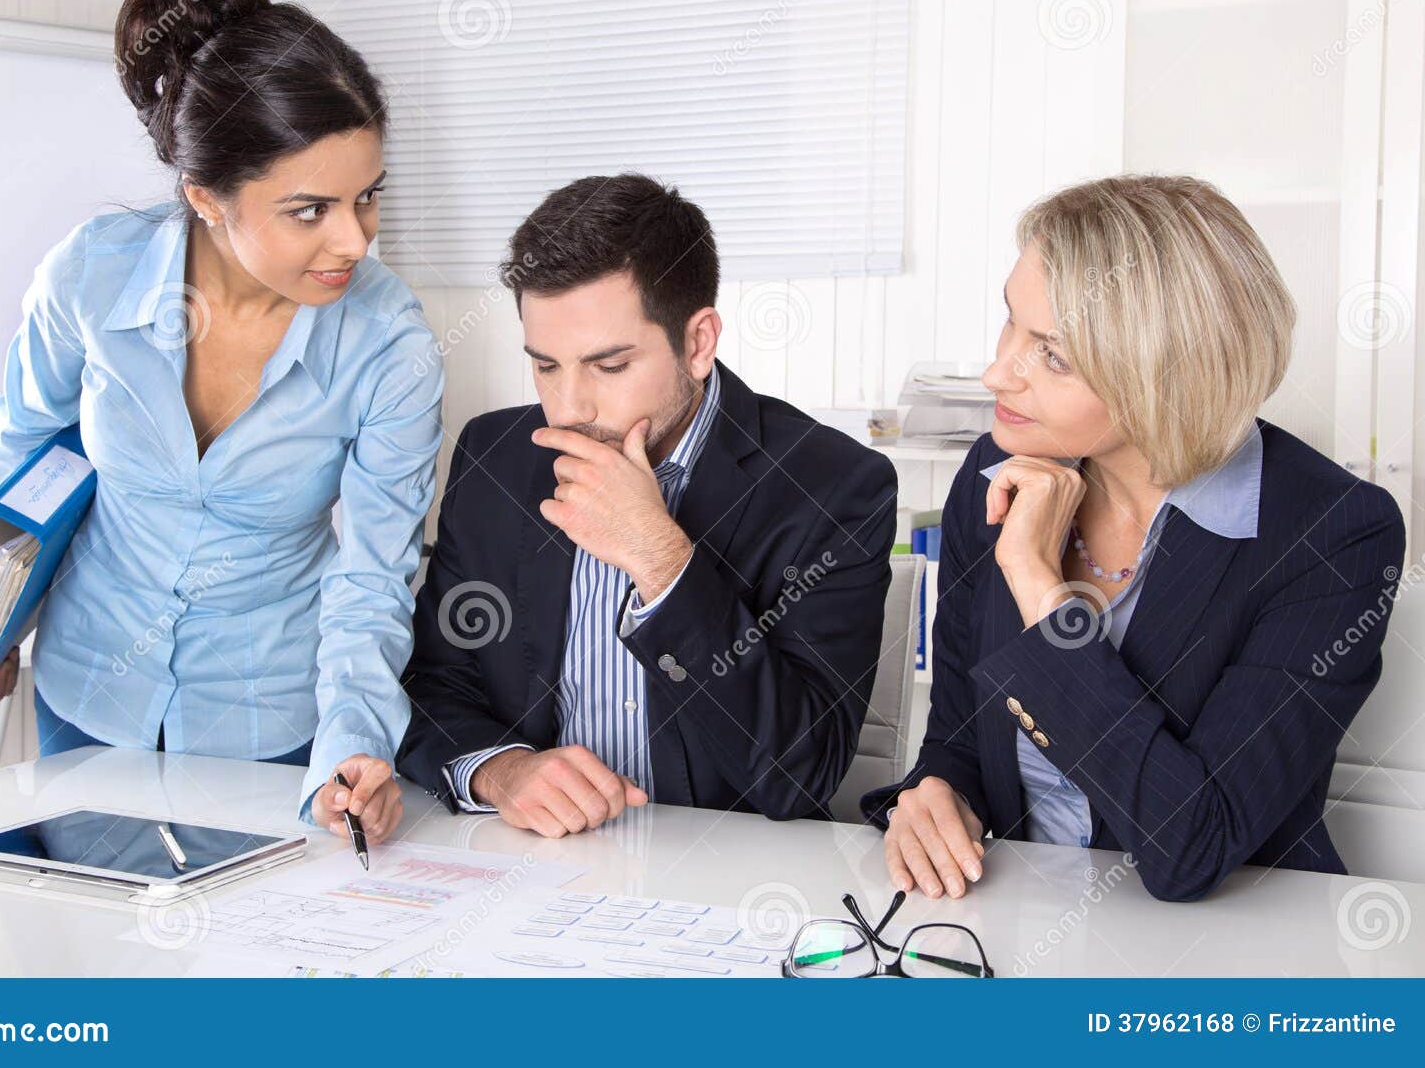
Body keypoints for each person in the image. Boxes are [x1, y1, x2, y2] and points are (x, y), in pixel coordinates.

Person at [0, 0, 443, 842]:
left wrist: (354, 745)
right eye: (310, 210)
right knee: (96, 963)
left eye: (369, 195)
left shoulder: (389, 343)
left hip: (267, 722)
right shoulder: (91, 273)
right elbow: (25, 446)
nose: (355, 239)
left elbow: (373, 574)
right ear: (206, 197)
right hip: (89, 691)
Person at [863, 174, 1406, 902]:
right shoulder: (994, 472)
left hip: (1234, 958)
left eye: (1051, 354)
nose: (997, 371)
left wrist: (1036, 583)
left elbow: (1191, 844)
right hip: (1016, 925)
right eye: (1010, 323)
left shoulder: (1334, 534)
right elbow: (962, 736)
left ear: (1166, 378)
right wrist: (934, 796)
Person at [395, 173, 899, 836]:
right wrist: (502, 770)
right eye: (546, 365)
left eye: (608, 367)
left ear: (697, 342)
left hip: (728, 887)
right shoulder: (497, 457)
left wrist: (660, 557)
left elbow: (799, 771)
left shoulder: (834, 485)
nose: (570, 408)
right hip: (531, 867)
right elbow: (434, 684)